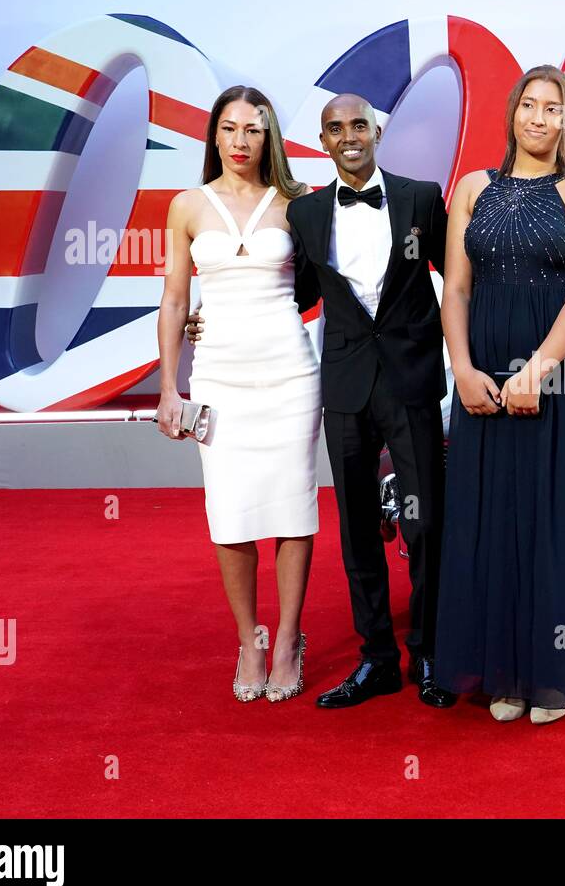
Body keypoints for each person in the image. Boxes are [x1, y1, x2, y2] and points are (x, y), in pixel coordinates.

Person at [193, 93, 455, 709]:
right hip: (341, 385)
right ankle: (377, 661)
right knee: (358, 529)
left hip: (411, 380)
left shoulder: (421, 197)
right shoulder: (307, 213)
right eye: (334, 129)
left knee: (425, 522)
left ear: (377, 131)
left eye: (358, 125)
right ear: (323, 138)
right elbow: (289, 289)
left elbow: (458, 278)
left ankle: (432, 654)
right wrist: (202, 320)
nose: (348, 136)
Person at [435, 64, 565, 725]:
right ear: (512, 113)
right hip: (481, 374)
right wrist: (461, 367)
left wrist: (537, 370)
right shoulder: (472, 188)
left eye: (555, 109)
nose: (540, 118)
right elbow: (455, 289)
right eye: (531, 106)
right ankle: (504, 673)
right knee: (489, 519)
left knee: (550, 521)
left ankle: (549, 672)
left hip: (562, 377)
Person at [157, 85, 319, 703]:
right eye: (229, 129)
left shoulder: (296, 203)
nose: (240, 141)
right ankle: (251, 639)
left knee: (292, 509)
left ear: (268, 136)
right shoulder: (187, 206)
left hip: (290, 375)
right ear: (213, 136)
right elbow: (175, 298)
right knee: (229, 513)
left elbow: (321, 284)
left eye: (252, 130)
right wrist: (170, 388)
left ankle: (287, 642)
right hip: (218, 377)